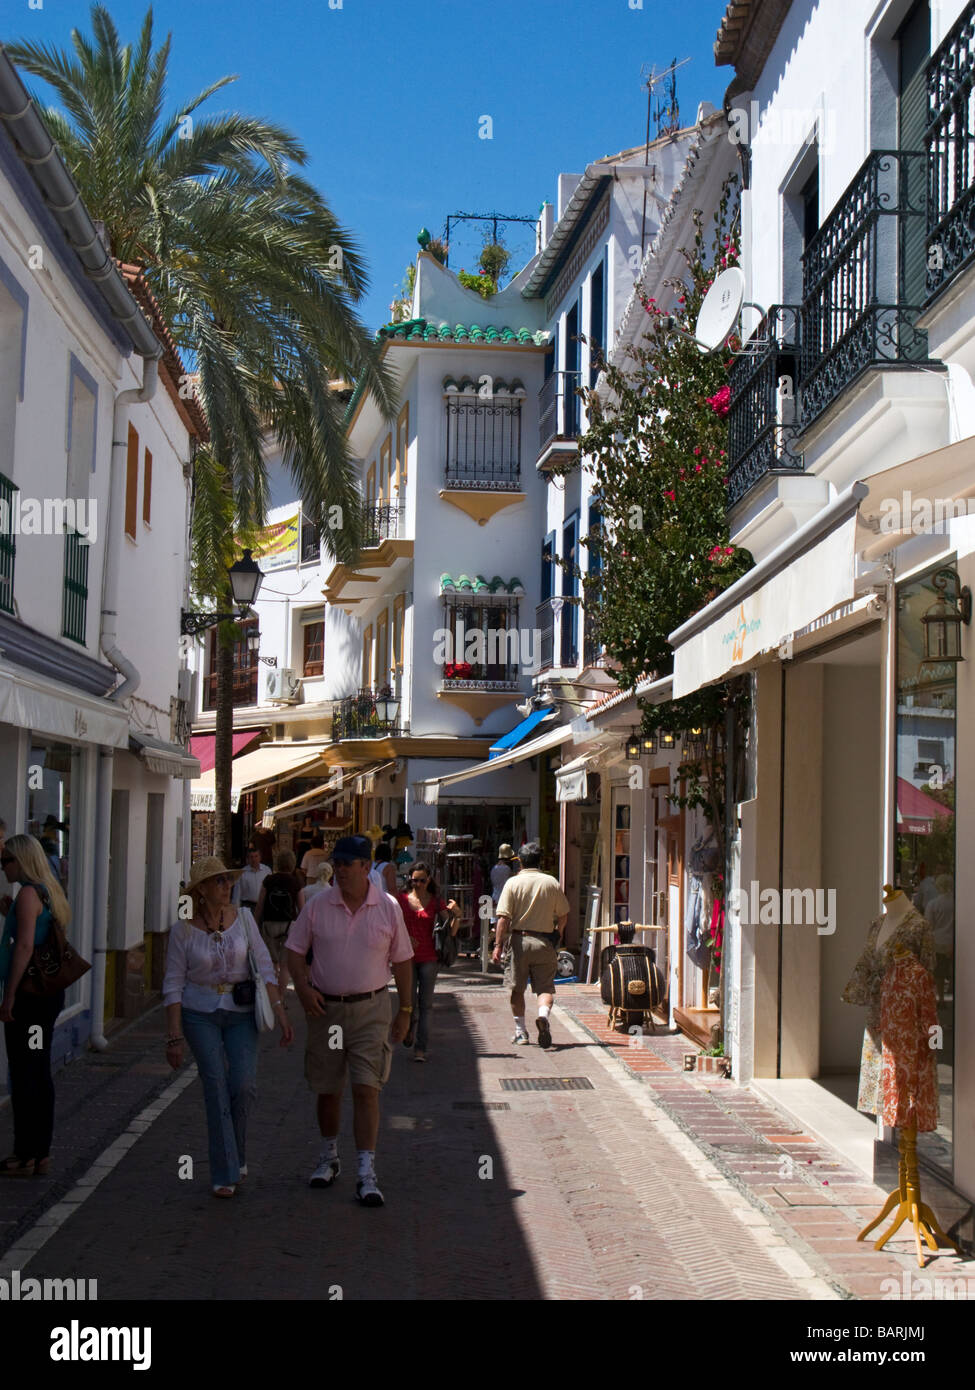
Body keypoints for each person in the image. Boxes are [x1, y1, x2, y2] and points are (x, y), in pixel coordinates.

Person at [285, 835, 413, 1207]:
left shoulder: (387, 907)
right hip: (329, 1013)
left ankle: (366, 1171)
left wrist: (405, 1011)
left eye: (346, 863)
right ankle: (329, 1156)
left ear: (364, 866)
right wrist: (303, 989)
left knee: (366, 1088)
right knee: (329, 1088)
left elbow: (403, 961)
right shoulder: (318, 905)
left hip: (371, 1010)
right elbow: (294, 951)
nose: (339, 869)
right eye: (336, 863)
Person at [162, 857, 293, 1196]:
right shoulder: (183, 930)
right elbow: (173, 984)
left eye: (227, 881)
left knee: (244, 1085)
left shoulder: (245, 920)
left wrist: (280, 1010)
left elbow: (265, 966)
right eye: (218, 882)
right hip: (198, 1012)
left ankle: (237, 1153)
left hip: (241, 1011)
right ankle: (224, 1171)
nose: (226, 886)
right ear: (201, 890)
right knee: (215, 1085)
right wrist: (173, 1036)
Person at [0, 834, 71, 1176]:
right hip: (46, 998)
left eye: (6, 861)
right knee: (38, 1069)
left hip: (30, 999)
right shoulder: (46, 889)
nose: (3, 868)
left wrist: (10, 995)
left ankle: (26, 1152)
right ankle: (39, 1150)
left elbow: (25, 947)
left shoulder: (28, 894)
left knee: (26, 1070)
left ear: (21, 861)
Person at [492, 840, 569, 1048]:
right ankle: (543, 1016)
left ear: (521, 863)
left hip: (519, 941)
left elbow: (503, 918)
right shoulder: (551, 882)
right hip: (544, 941)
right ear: (539, 861)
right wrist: (558, 934)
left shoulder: (513, 883)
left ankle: (521, 1032)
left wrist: (498, 945)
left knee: (517, 988)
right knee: (545, 988)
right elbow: (564, 914)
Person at [397, 864, 458, 1062]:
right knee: (409, 1003)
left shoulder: (436, 902)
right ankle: (408, 1030)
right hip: (406, 958)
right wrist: (405, 937)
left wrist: (457, 914)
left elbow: (451, 932)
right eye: (415, 880)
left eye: (422, 880)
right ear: (410, 879)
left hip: (430, 958)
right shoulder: (401, 900)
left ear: (429, 880)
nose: (419, 884)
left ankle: (420, 1048)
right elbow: (392, 925)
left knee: (426, 1005)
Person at [255, 850, 303, 998]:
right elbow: (302, 908)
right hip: (289, 926)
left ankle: (271, 997)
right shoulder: (296, 882)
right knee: (285, 966)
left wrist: (255, 924)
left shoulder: (268, 880)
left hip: (269, 924)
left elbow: (260, 905)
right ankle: (281, 998)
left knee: (271, 963)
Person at [232, 844, 271, 912]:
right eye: (251, 857)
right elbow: (237, 894)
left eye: (256, 856)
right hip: (247, 907)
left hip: (263, 906)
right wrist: (235, 912)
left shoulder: (267, 871)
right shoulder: (242, 873)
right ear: (248, 859)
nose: (254, 859)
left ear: (260, 857)